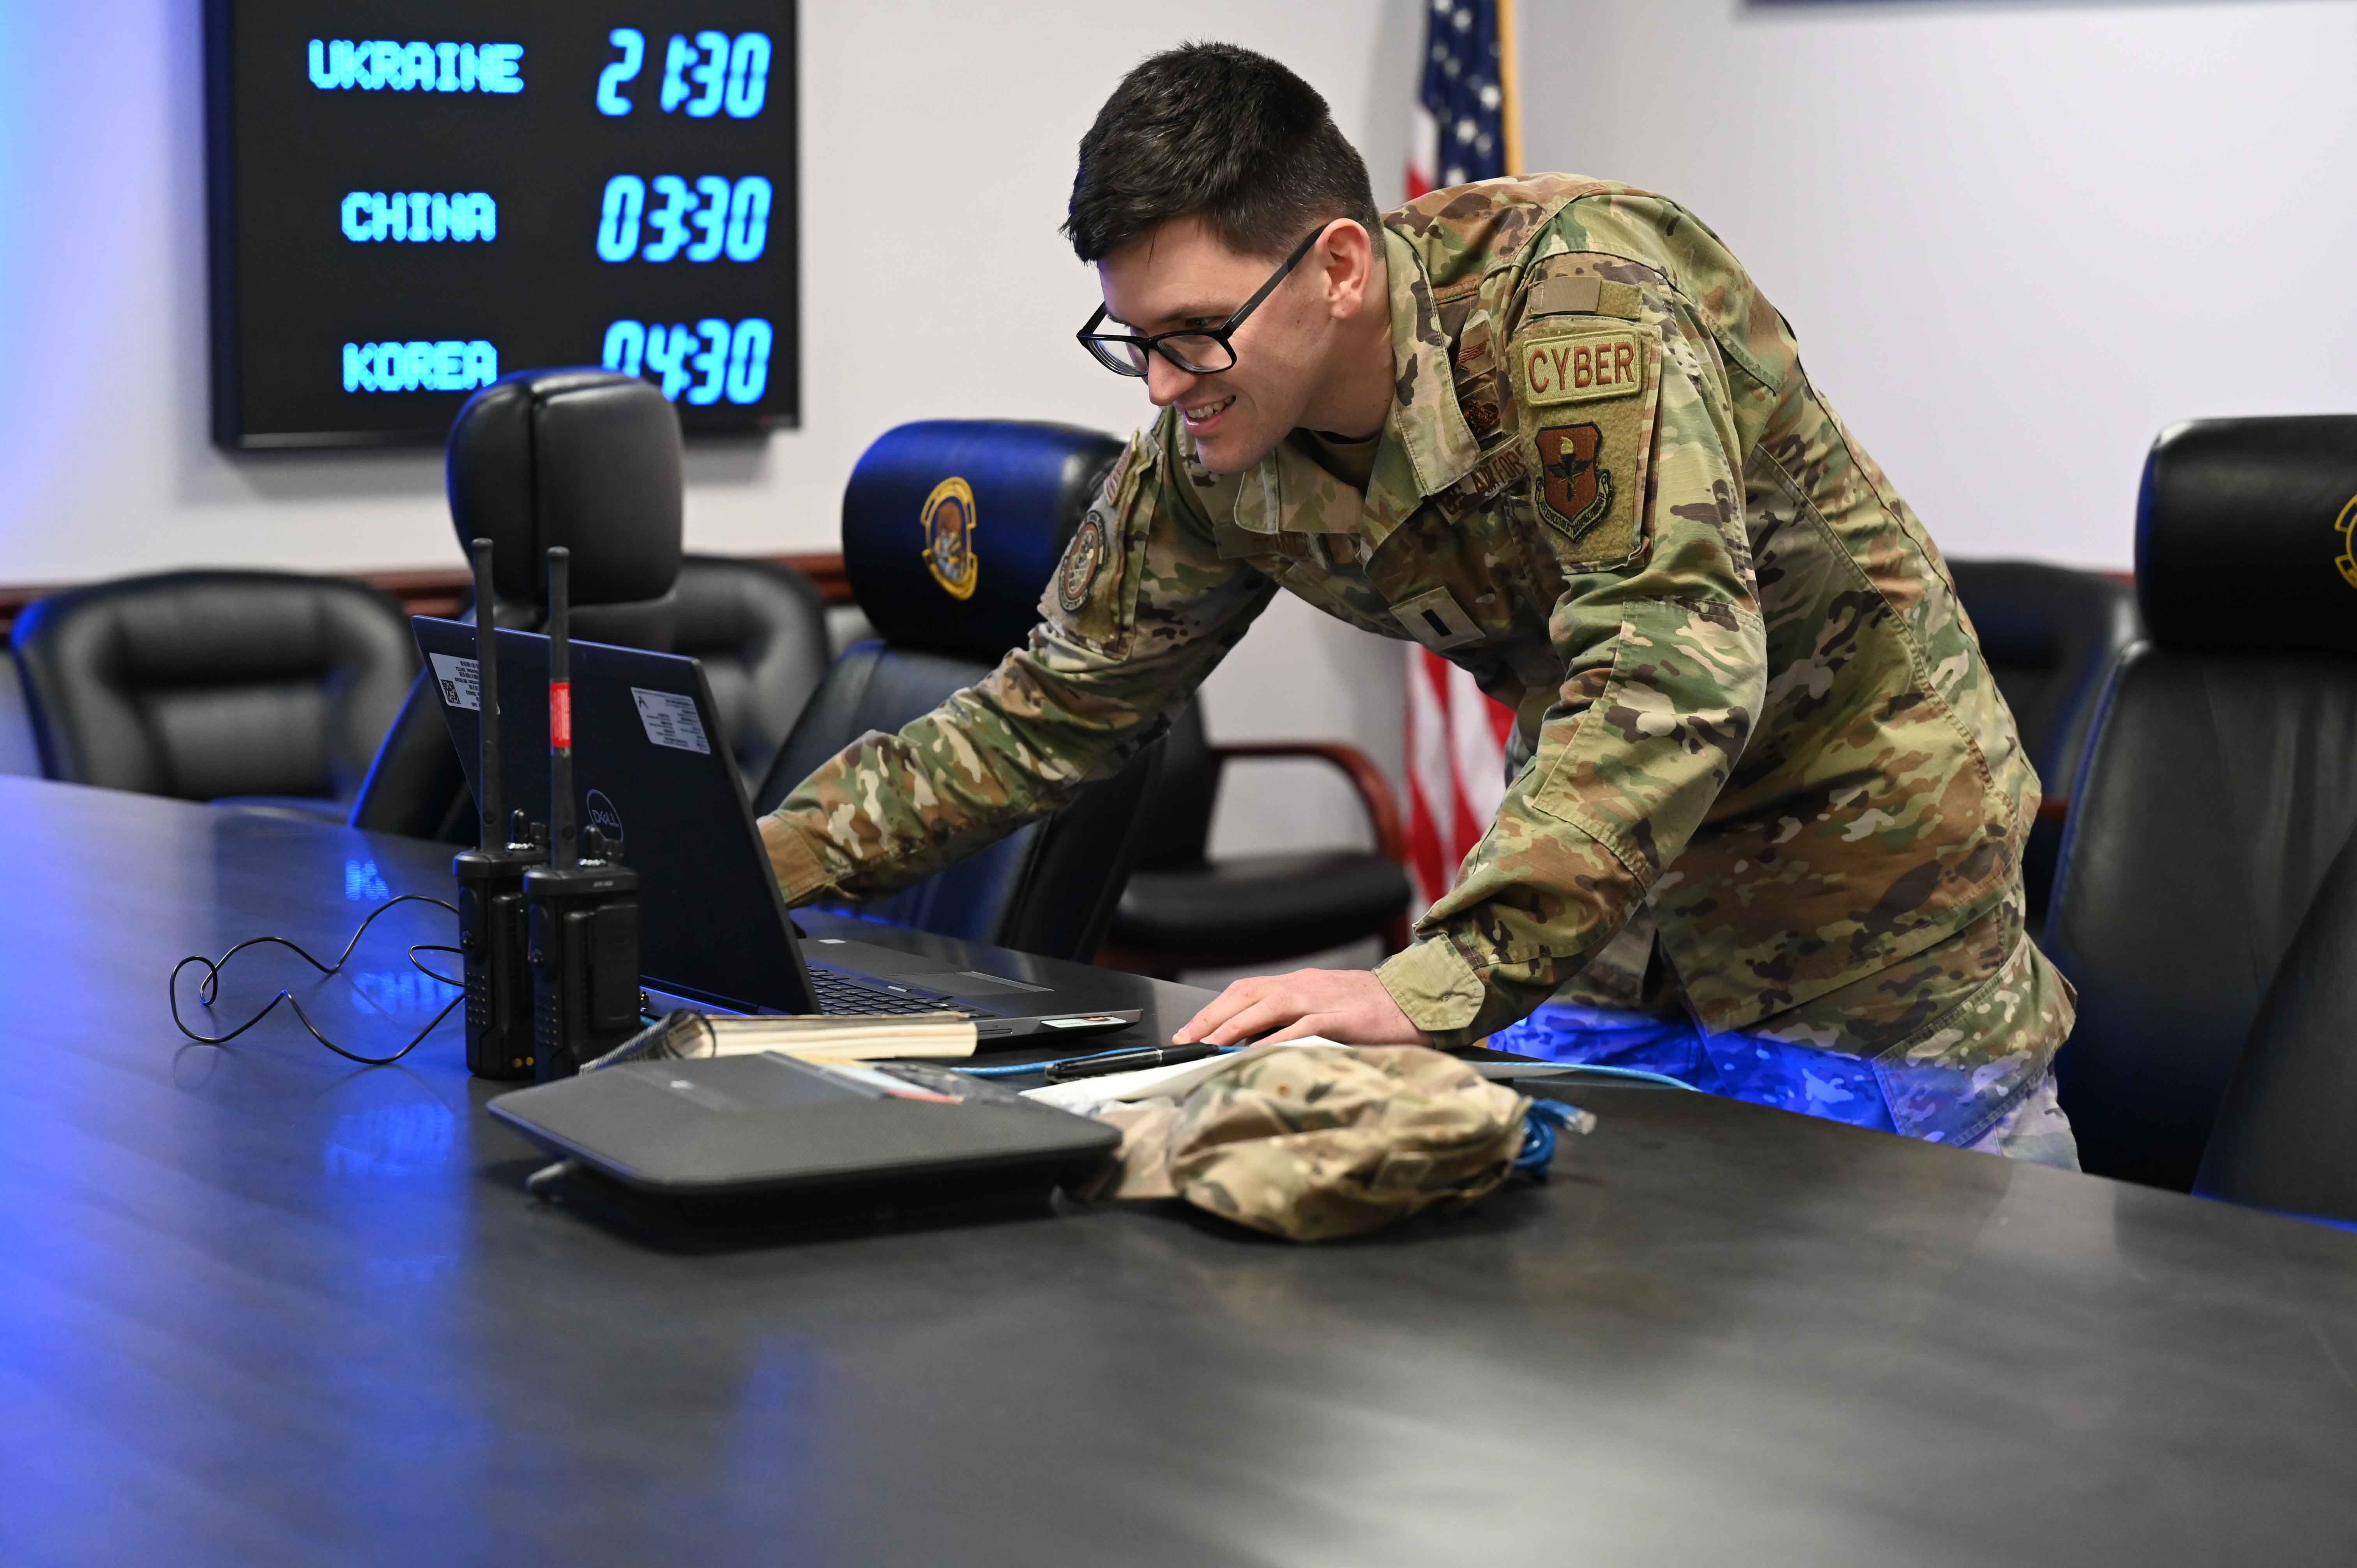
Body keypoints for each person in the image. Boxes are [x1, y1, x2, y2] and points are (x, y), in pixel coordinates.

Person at [760, 42, 2078, 1165]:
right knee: (1587, 1351)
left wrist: (1432, 980)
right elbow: (1042, 718)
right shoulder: (1215, 442)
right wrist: (753, 865)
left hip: (1867, 892)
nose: (1161, 387)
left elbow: (1666, 669)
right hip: (1602, 919)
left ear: (1339, 266)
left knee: (1949, 1368)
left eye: (1195, 332)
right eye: (1134, 340)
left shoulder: (1571, 306)